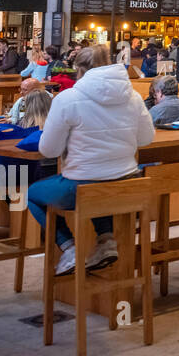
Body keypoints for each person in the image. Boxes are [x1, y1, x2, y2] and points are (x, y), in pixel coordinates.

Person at [27, 45, 154, 275]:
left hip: (84, 186)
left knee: (33, 194)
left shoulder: (67, 99)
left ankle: (69, 247)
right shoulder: (133, 96)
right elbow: (146, 139)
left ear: (80, 69)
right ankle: (105, 241)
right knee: (102, 183)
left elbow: (49, 150)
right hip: (127, 184)